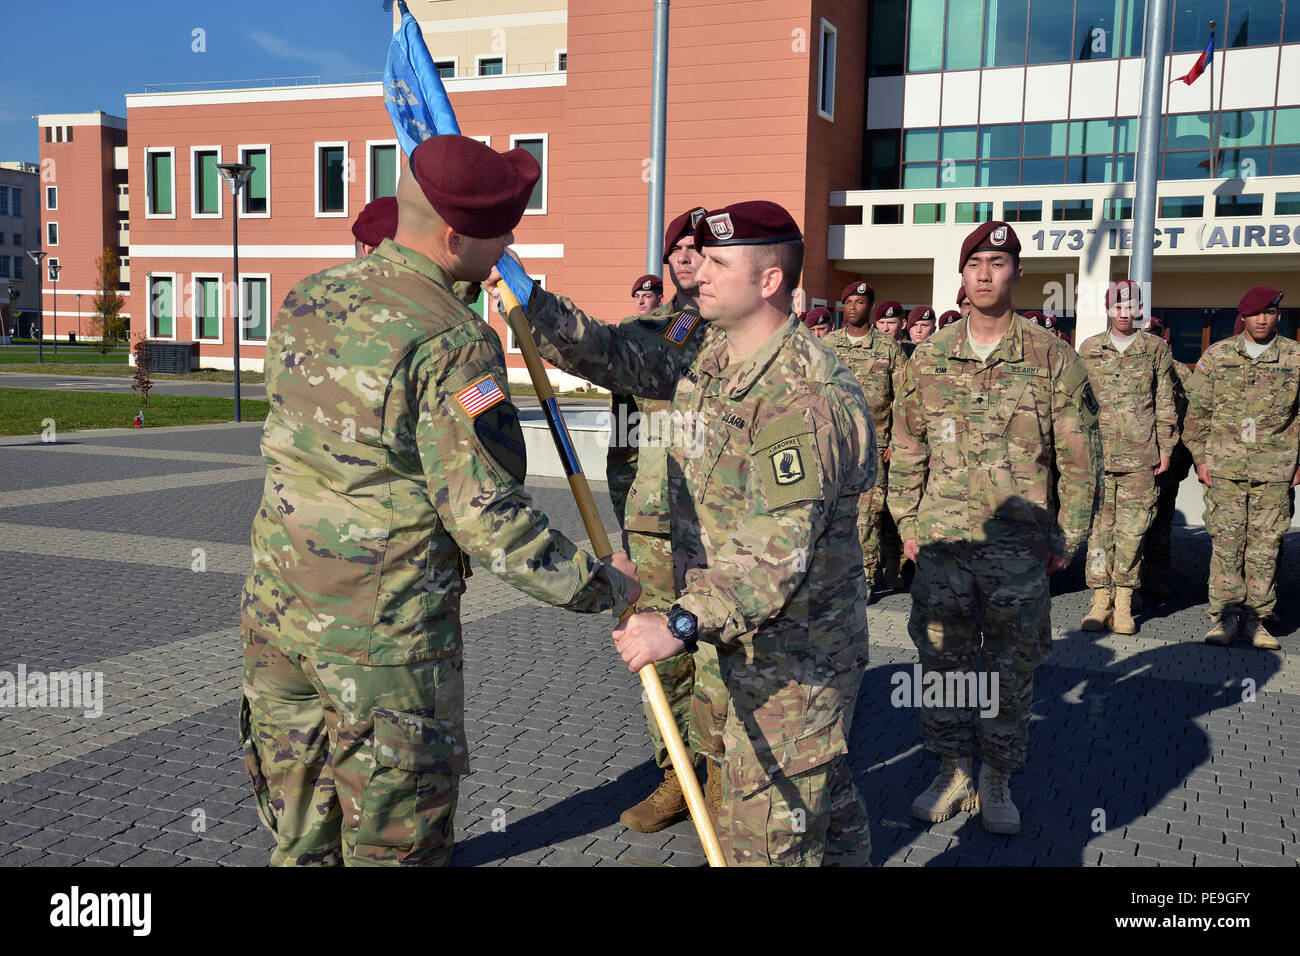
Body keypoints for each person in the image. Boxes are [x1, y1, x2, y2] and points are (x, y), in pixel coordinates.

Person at [240, 135, 640, 867]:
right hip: (382, 640)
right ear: (455, 236)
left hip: (278, 614)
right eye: (502, 233)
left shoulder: (310, 296)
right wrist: (601, 584)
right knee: (397, 844)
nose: (510, 243)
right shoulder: (453, 342)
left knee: (300, 837)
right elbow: (486, 515)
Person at [502, 200, 877, 866]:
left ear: (767, 281)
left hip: (792, 660)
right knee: (828, 817)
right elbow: (616, 353)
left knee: (761, 840)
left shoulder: (804, 396)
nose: (697, 272)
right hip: (735, 646)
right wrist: (528, 298)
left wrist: (675, 623)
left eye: (717, 262)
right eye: (697, 257)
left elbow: (775, 552)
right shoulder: (706, 357)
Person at [889, 220, 1101, 835]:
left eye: (998, 263)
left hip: (1017, 550)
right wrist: (906, 519)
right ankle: (953, 770)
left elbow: (1081, 457)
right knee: (943, 664)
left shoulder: (1051, 358)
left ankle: (997, 776)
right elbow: (905, 448)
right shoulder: (927, 358)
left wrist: (1069, 535)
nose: (985, 273)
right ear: (962, 275)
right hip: (942, 546)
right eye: (975, 262)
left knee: (1009, 668)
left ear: (1017, 275)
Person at [608, 205, 728, 834]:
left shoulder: (738, 330)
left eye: (696, 248)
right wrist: (623, 523)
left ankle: (717, 776)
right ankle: (674, 776)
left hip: (719, 529)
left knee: (717, 658)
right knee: (661, 660)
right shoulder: (645, 335)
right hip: (653, 524)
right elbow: (623, 441)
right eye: (676, 248)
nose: (685, 257)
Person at [1183, 286, 1297, 650]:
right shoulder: (1217, 356)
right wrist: (1201, 459)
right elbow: (1197, 413)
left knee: (1266, 547)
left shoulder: (1294, 357)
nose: (1263, 319)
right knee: (1227, 545)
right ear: (1243, 318)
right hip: (1225, 470)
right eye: (1256, 313)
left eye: (1270, 312)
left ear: (1278, 315)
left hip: (1275, 470)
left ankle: (1258, 619)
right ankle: (1226, 616)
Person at [1075, 280, 1177, 635]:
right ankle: (1101, 598)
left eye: (1131, 306)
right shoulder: (1089, 349)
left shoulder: (1155, 349)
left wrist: (1165, 447)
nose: (1124, 313)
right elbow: (1076, 405)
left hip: (1140, 456)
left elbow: (1165, 401)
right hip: (1098, 457)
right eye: (1118, 306)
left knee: (1133, 531)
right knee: (1099, 533)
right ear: (1108, 309)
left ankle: (1124, 601)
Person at [824, 280, 905, 599]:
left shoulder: (888, 349)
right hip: (831, 447)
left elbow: (904, 399)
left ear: (871, 306)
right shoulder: (827, 345)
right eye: (848, 302)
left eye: (859, 302)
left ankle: (866, 579)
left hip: (874, 448)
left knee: (868, 516)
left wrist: (897, 442)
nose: (853, 307)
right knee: (829, 514)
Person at [1140, 316, 1195, 600]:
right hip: (1133, 459)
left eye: (1157, 334)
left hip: (1167, 461)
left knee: (1160, 523)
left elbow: (1188, 419)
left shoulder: (1179, 373)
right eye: (1147, 333)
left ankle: (1154, 576)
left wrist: (1179, 462)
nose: (1153, 338)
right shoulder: (1130, 366)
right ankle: (1128, 582)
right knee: (1130, 525)